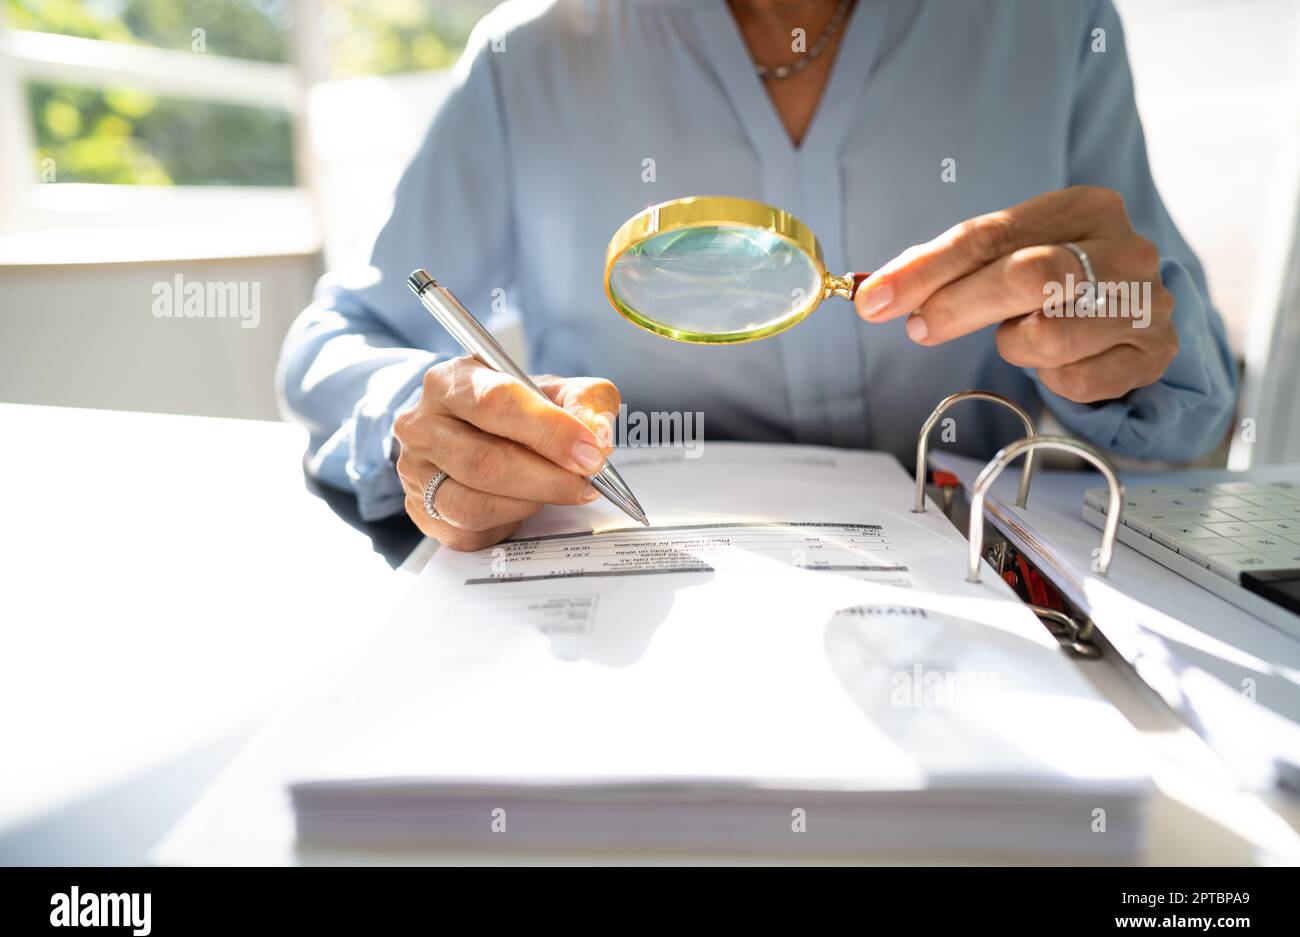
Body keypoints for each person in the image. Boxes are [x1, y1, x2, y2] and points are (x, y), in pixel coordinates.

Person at [277, 0, 1237, 551]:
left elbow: (1193, 395)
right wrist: (435, 415)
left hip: (998, 603)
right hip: (620, 581)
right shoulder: (524, 57)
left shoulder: (1054, 26)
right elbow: (340, 337)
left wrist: (1130, 339)